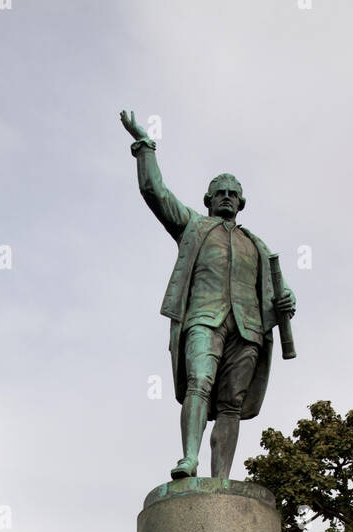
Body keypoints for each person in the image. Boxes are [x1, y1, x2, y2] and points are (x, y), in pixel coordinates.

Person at [121, 109, 296, 480]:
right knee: (199, 383)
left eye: (234, 194)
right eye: (221, 193)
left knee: (231, 404)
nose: (228, 198)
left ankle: (221, 480)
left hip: (249, 330)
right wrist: (144, 147)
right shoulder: (194, 227)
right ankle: (188, 459)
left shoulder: (258, 245)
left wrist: (287, 302)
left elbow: (274, 293)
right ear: (208, 199)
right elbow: (156, 193)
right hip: (204, 318)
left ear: (242, 202)